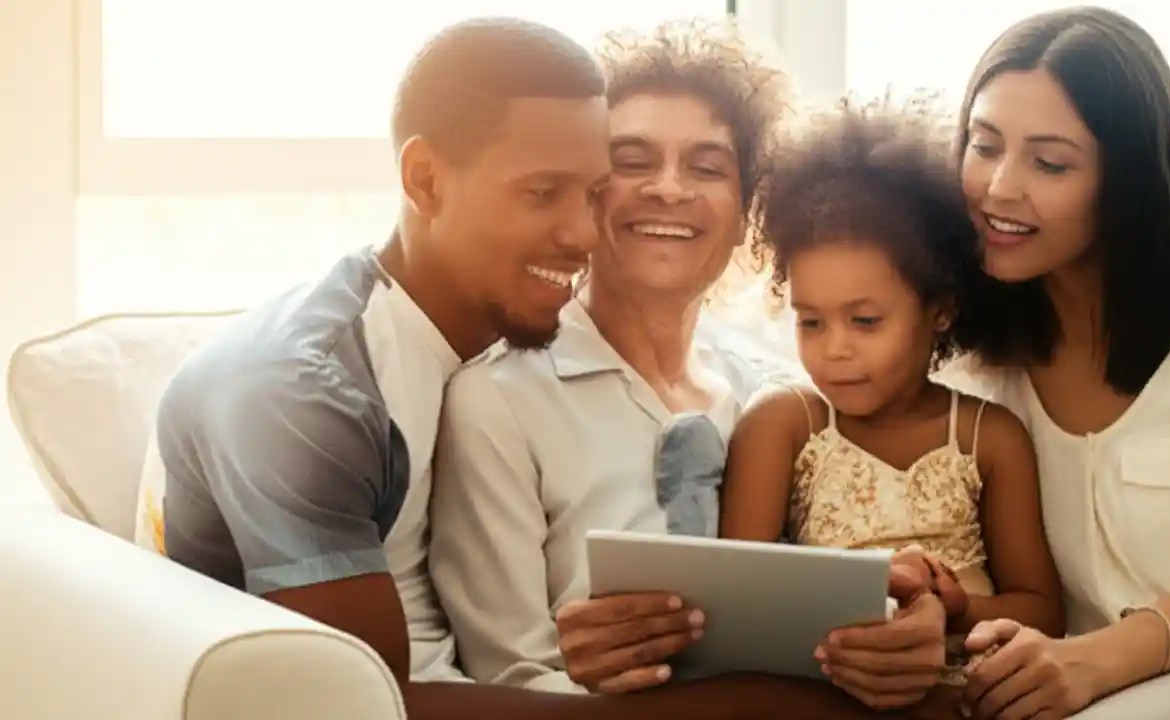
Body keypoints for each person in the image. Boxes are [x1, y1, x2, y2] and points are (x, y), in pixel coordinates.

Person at [130, 16, 854, 720]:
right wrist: (754, 702)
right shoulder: (305, 391)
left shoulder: (761, 386)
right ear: (425, 181)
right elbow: (364, 703)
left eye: (591, 192)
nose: (580, 233)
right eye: (545, 193)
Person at [429, 20, 887, 716]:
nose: (670, 190)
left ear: (746, 211)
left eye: (707, 167)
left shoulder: (784, 391)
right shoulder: (497, 398)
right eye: (632, 161)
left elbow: (851, 596)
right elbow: (509, 673)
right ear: (586, 189)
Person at [924, 7, 1170, 719]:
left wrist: (1091, 665)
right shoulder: (965, 367)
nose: (998, 188)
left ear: (1130, 180)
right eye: (984, 145)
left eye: (1049, 162)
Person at [718, 101, 1064, 715]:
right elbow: (739, 607)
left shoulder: (990, 436)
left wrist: (950, 614)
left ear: (941, 309)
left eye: (866, 320)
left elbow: (1042, 608)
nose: (835, 350)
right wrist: (874, 607)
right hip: (826, 698)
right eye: (810, 321)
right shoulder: (782, 426)